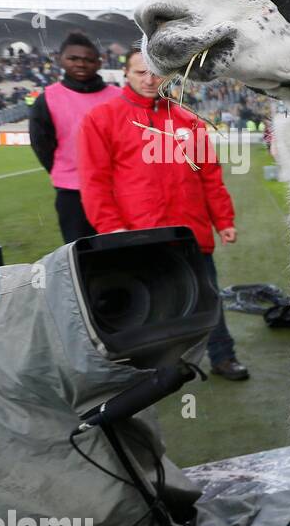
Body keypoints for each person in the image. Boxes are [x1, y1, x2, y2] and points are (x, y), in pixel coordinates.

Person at [77, 48, 249, 381]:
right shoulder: (102, 118)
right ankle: (156, 369)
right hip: (139, 236)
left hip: (190, 234)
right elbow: (94, 181)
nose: (148, 79)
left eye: (155, 72)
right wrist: (111, 228)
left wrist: (224, 221)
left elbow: (209, 175)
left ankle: (223, 357)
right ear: (125, 74)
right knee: (150, 306)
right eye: (139, 72)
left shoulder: (188, 120)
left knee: (207, 299)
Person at [28, 32, 120, 242]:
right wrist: (66, 171)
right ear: (60, 59)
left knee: (121, 253)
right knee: (80, 256)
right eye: (73, 58)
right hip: (72, 193)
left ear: (99, 63)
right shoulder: (47, 99)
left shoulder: (119, 97)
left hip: (117, 189)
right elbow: (41, 144)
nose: (81, 64)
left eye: (88, 59)